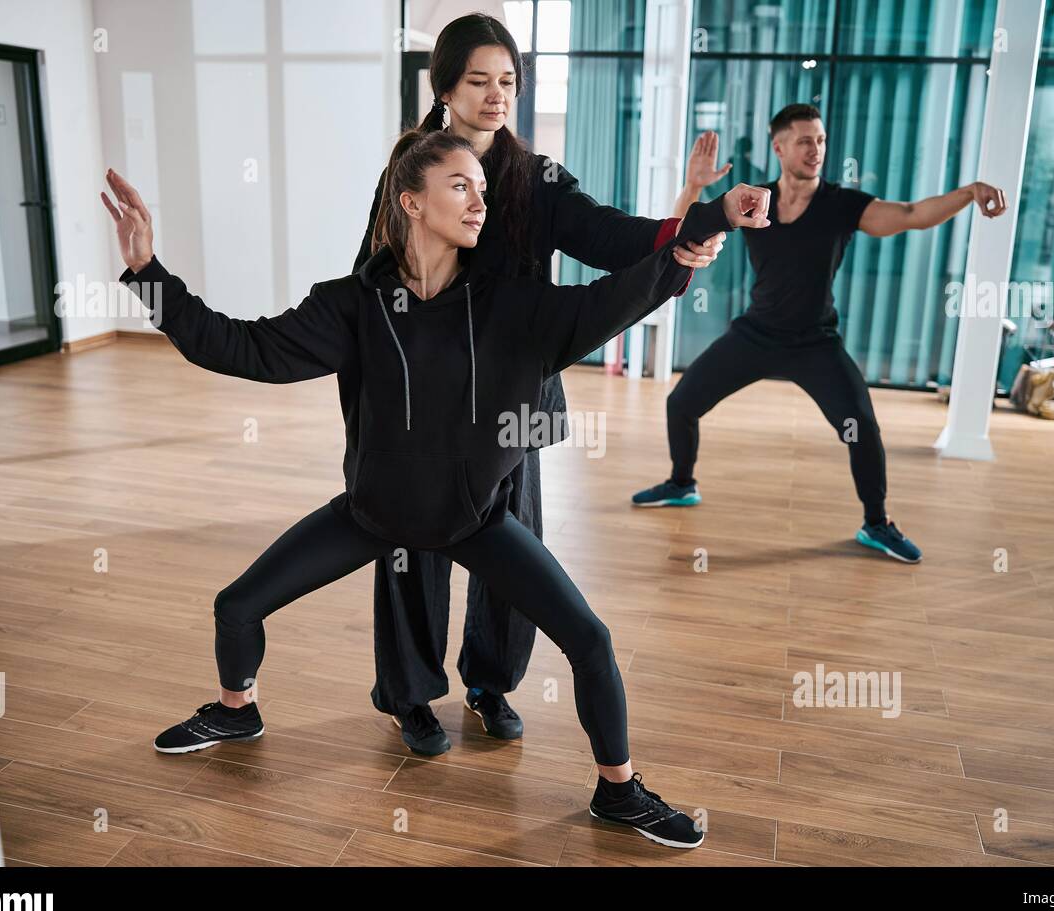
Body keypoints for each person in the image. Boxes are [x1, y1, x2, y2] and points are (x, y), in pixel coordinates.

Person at [100, 132, 769, 847]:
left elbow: (626, 288)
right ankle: (238, 709)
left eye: (482, 188)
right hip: (370, 515)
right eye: (460, 187)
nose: (480, 201)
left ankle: (618, 789)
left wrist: (713, 217)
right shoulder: (354, 306)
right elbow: (242, 347)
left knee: (591, 641)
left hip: (473, 522)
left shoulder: (515, 306)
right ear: (411, 201)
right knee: (235, 608)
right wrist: (147, 270)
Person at [354, 13, 728, 757]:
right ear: (445, 88)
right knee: (411, 546)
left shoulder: (537, 178)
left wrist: (688, 216)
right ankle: (410, 695)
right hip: (421, 399)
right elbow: (373, 272)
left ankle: (490, 682)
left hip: (511, 400)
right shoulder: (409, 172)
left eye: (509, 82)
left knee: (513, 543)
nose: (497, 96)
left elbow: (611, 237)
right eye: (479, 81)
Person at [632, 104, 1007, 564]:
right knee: (681, 403)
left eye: (822, 140)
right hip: (756, 335)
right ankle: (682, 483)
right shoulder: (753, 199)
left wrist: (969, 192)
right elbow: (682, 233)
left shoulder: (842, 205)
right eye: (806, 140)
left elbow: (911, 214)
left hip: (815, 343)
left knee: (861, 428)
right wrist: (694, 186)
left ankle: (877, 523)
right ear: (779, 146)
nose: (817, 150)